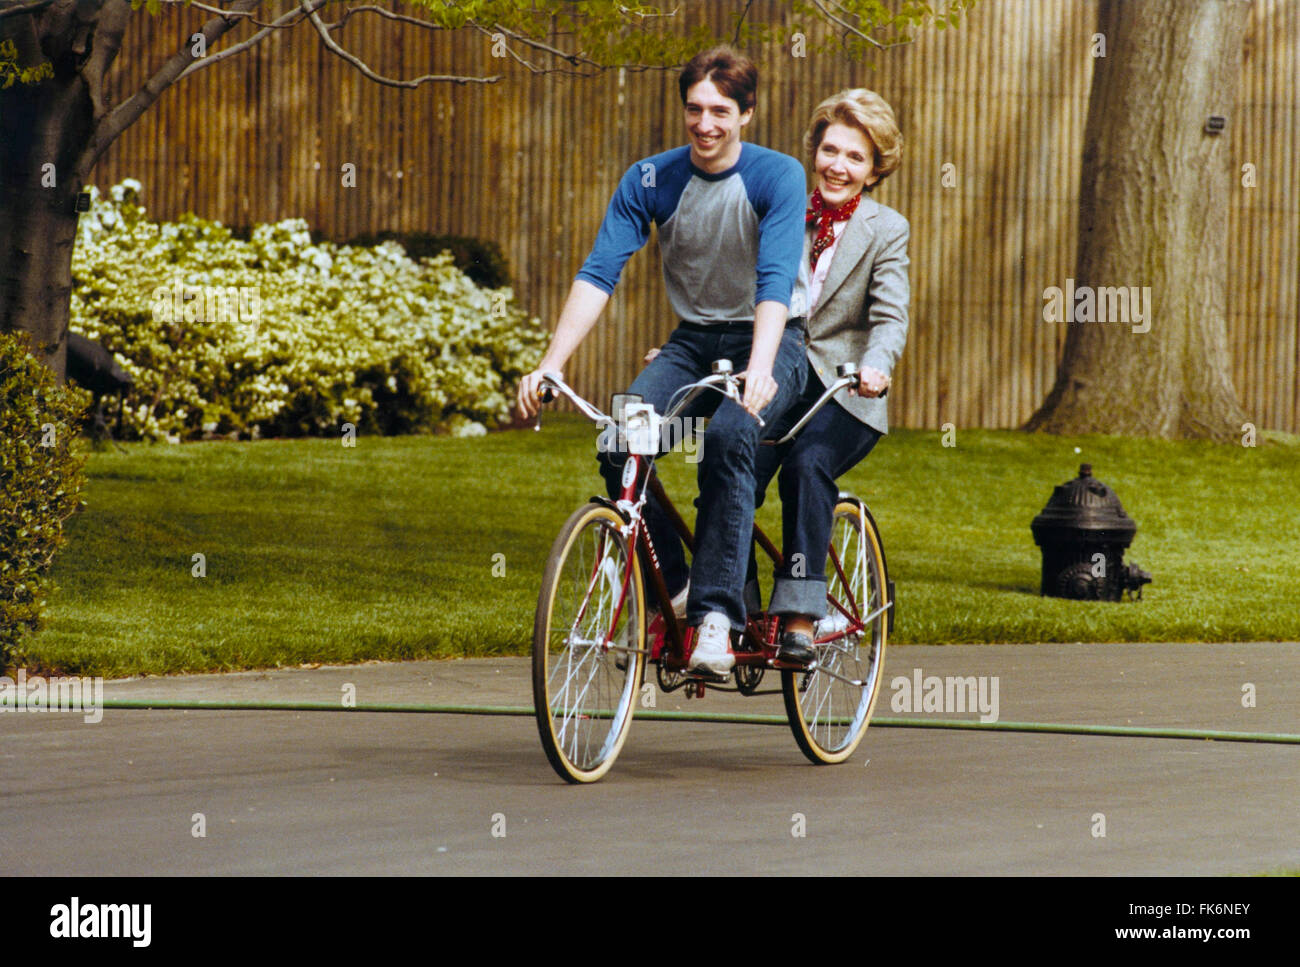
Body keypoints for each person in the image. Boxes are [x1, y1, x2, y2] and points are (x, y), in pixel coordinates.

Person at [517, 46, 810, 678]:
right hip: (695, 339)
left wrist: (760, 368)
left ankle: (715, 619)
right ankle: (675, 591)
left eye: (721, 111)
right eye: (694, 109)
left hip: (775, 336)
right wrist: (550, 364)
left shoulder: (777, 175)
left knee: (732, 435)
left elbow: (776, 281)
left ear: (747, 114)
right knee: (620, 442)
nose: (705, 124)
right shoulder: (650, 178)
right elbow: (600, 273)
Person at [750, 88, 910, 666]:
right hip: (780, 375)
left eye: (855, 158)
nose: (838, 166)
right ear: (814, 150)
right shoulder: (783, 211)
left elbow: (891, 317)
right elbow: (746, 292)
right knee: (730, 457)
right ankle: (733, 602)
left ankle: (799, 614)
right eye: (830, 150)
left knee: (806, 464)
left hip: (847, 394)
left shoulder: (886, 229)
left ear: (874, 170)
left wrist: (877, 365)